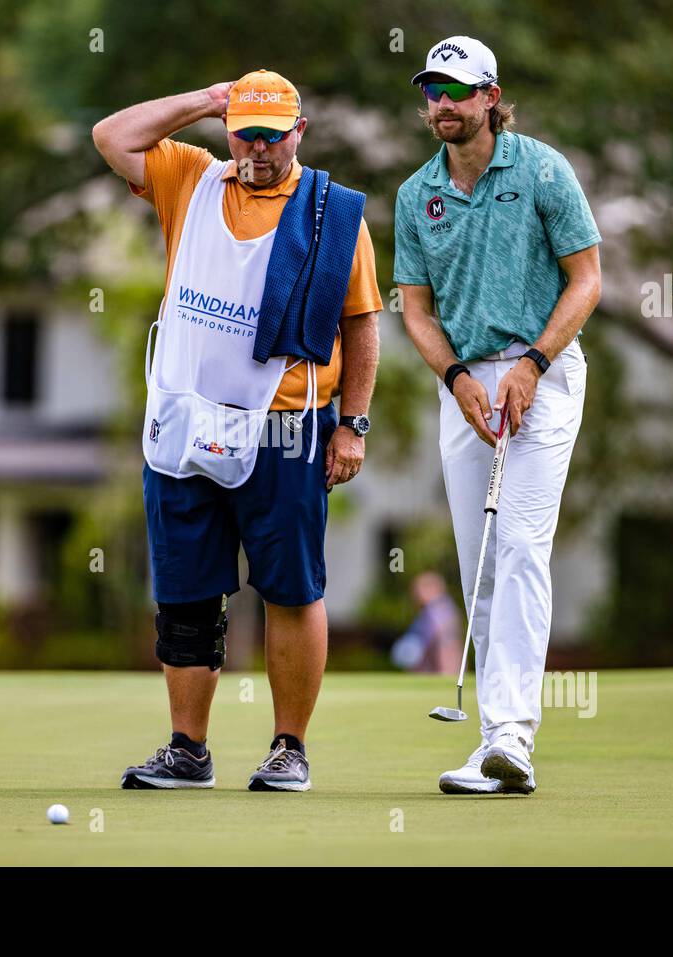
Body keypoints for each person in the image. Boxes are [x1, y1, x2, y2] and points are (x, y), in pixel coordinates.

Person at [92, 69, 382, 792]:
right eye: (245, 132)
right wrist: (204, 100)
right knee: (186, 590)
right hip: (185, 420)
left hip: (287, 425)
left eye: (271, 134)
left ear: (299, 133)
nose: (257, 147)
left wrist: (353, 426)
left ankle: (289, 748)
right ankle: (188, 749)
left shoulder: (330, 214)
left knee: (290, 588)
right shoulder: (190, 176)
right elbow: (109, 136)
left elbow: (362, 324)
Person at [393, 36, 601, 795]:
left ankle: (513, 734)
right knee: (478, 558)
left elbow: (586, 280)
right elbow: (414, 310)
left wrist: (533, 364)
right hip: (465, 387)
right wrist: (453, 376)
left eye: (456, 90)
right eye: (432, 91)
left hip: (542, 371)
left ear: (490, 95)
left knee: (518, 545)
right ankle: (494, 744)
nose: (441, 103)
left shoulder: (543, 169)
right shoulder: (417, 195)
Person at [390, 572, 464, 675]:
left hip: (442, 648)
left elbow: (437, 632)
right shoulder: (441, 606)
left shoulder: (437, 607)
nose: (415, 594)